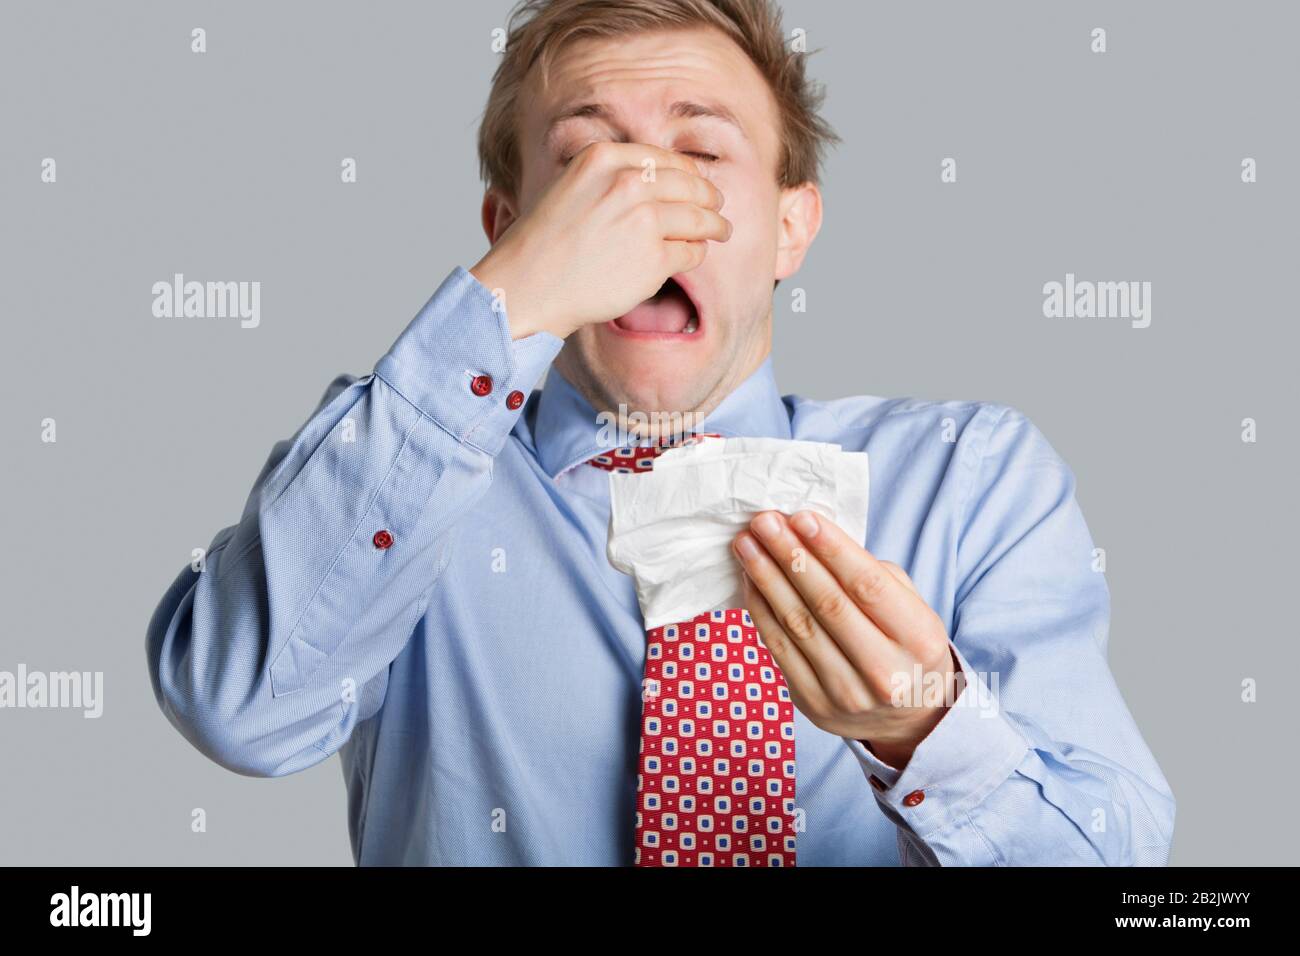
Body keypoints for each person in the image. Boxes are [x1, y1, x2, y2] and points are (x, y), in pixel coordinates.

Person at [146, 0, 1175, 866]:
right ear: (511, 228)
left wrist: (926, 733)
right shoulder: (395, 464)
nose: (643, 197)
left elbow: (1114, 869)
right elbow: (240, 707)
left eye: (700, 149)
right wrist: (504, 305)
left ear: (790, 224)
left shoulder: (971, 480)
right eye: (588, 158)